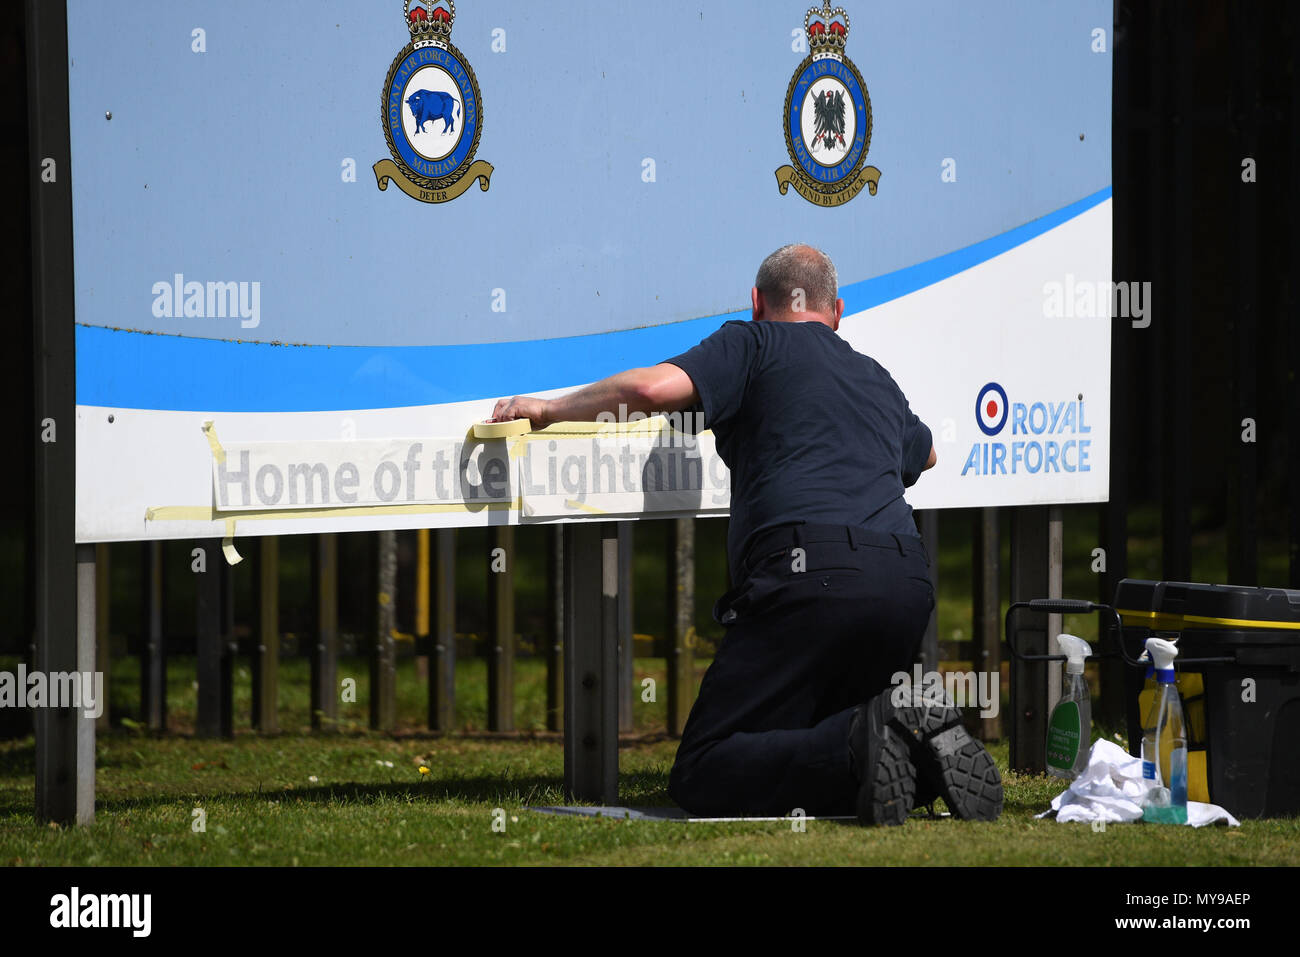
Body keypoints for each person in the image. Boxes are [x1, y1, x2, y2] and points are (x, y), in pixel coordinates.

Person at [490, 244, 1002, 825]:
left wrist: (548, 409)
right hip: (905, 579)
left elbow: (654, 392)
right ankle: (909, 748)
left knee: (704, 769)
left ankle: (871, 736)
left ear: (758, 301)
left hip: (810, 572)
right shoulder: (873, 374)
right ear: (837, 311)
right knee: (813, 741)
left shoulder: (750, 343)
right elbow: (928, 454)